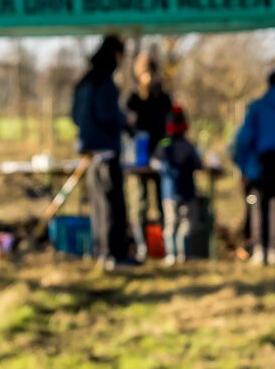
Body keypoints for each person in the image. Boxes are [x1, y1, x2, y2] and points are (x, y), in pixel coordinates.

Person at [73, 35, 136, 271]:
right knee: (112, 204)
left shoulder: (85, 81)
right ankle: (114, 254)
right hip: (107, 150)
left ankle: (102, 251)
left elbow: (76, 116)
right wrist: (125, 120)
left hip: (90, 151)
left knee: (99, 204)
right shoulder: (104, 82)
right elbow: (107, 113)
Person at [230, 67, 275, 264]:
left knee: (258, 206)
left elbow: (243, 140)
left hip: (258, 166)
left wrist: (243, 165)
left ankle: (260, 249)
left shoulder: (257, 107)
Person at [127, 49, 177, 238]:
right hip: (138, 158)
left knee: (165, 200)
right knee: (139, 201)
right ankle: (141, 243)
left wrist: (164, 148)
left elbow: (169, 128)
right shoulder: (133, 99)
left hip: (160, 156)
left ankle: (167, 242)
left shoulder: (163, 99)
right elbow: (128, 126)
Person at [153, 111, 205, 264]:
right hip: (184, 191)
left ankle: (175, 254)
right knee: (182, 223)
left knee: (173, 223)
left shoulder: (164, 144)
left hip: (171, 192)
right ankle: (178, 254)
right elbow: (198, 163)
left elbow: (155, 162)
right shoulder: (186, 145)